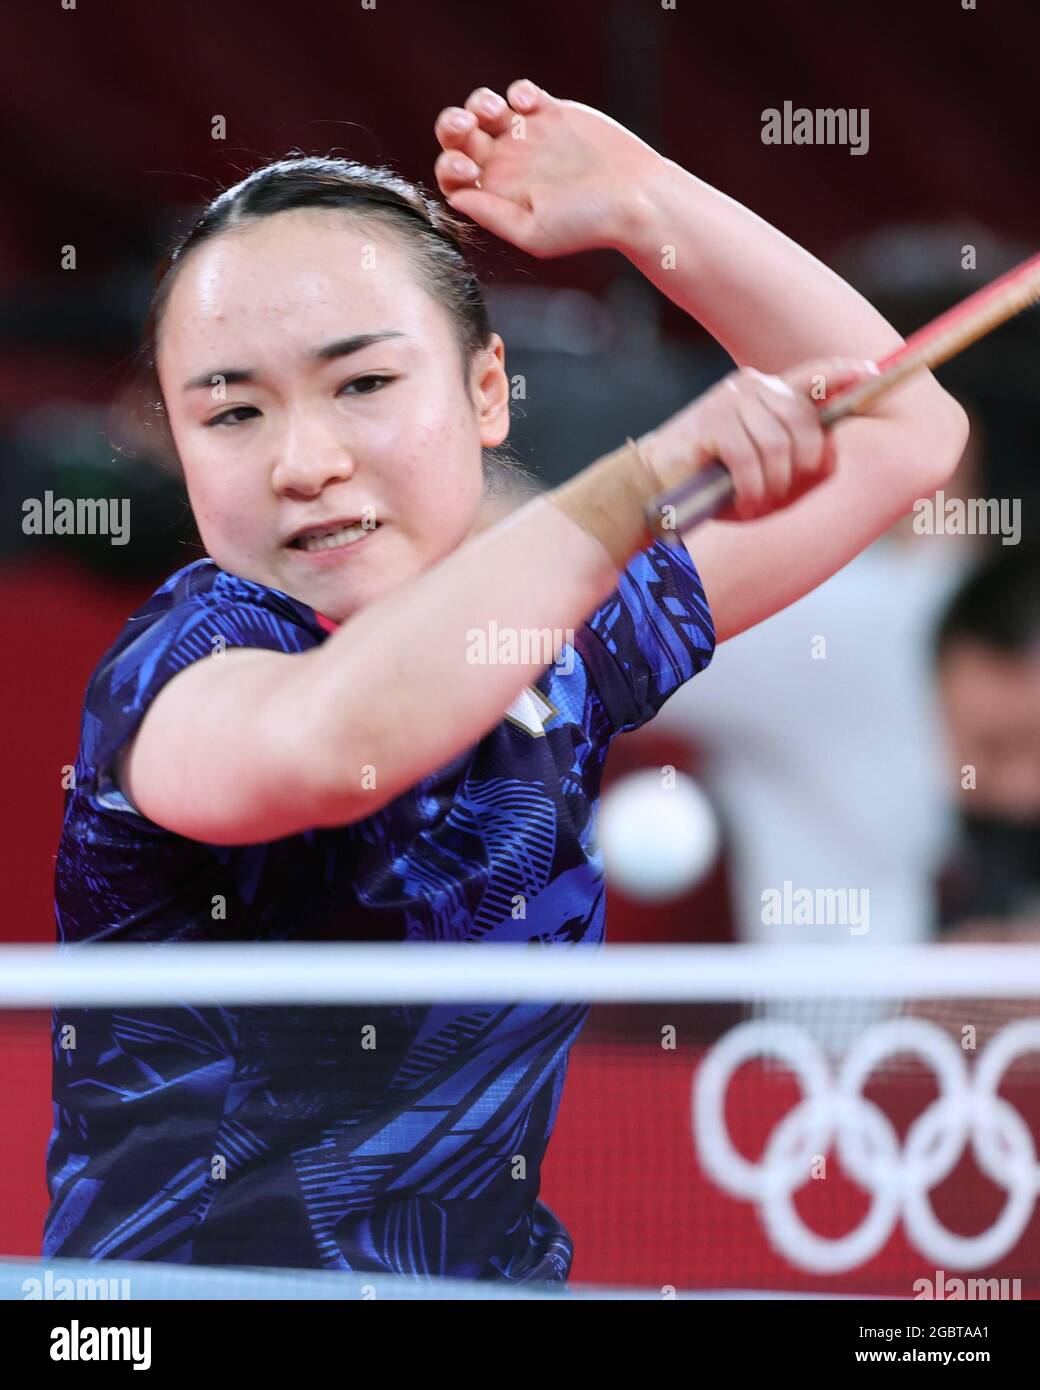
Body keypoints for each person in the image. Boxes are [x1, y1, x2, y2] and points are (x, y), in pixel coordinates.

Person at [44, 78, 967, 1280]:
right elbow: (329, 746)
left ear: (486, 391)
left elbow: (903, 434)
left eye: (363, 383)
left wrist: (647, 206)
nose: (304, 462)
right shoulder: (184, 662)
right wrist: (632, 489)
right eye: (230, 415)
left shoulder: (568, 635)